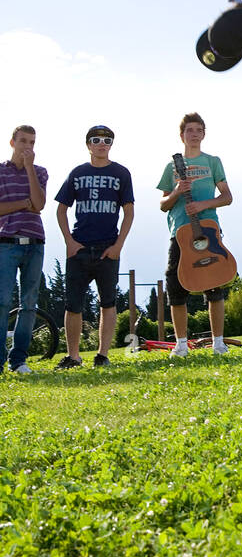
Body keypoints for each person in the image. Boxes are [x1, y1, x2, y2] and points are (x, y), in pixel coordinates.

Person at [54, 124, 135, 370]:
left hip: (107, 248)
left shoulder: (121, 173)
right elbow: (61, 209)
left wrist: (118, 245)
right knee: (73, 304)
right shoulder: (77, 173)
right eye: (96, 140)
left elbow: (129, 212)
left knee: (108, 302)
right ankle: (74, 356)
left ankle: (102, 355)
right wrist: (69, 242)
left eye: (107, 140)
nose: (102, 144)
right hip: (79, 247)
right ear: (88, 144)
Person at [157, 113, 234, 357]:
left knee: (214, 283)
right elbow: (163, 204)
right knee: (176, 285)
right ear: (182, 135)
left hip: (208, 228)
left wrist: (202, 206)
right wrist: (178, 191)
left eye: (198, 130)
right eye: (189, 130)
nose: (194, 134)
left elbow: (227, 196)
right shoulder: (171, 167)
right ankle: (181, 344)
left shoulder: (213, 162)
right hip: (180, 232)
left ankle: (218, 343)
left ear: (204, 134)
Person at [0, 125, 48, 376]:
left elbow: (38, 205)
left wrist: (29, 168)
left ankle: (18, 361)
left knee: (28, 304)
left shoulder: (39, 172)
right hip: (6, 244)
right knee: (2, 301)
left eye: (32, 142)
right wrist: (21, 204)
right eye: (23, 141)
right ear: (12, 142)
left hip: (35, 244)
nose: (28, 147)